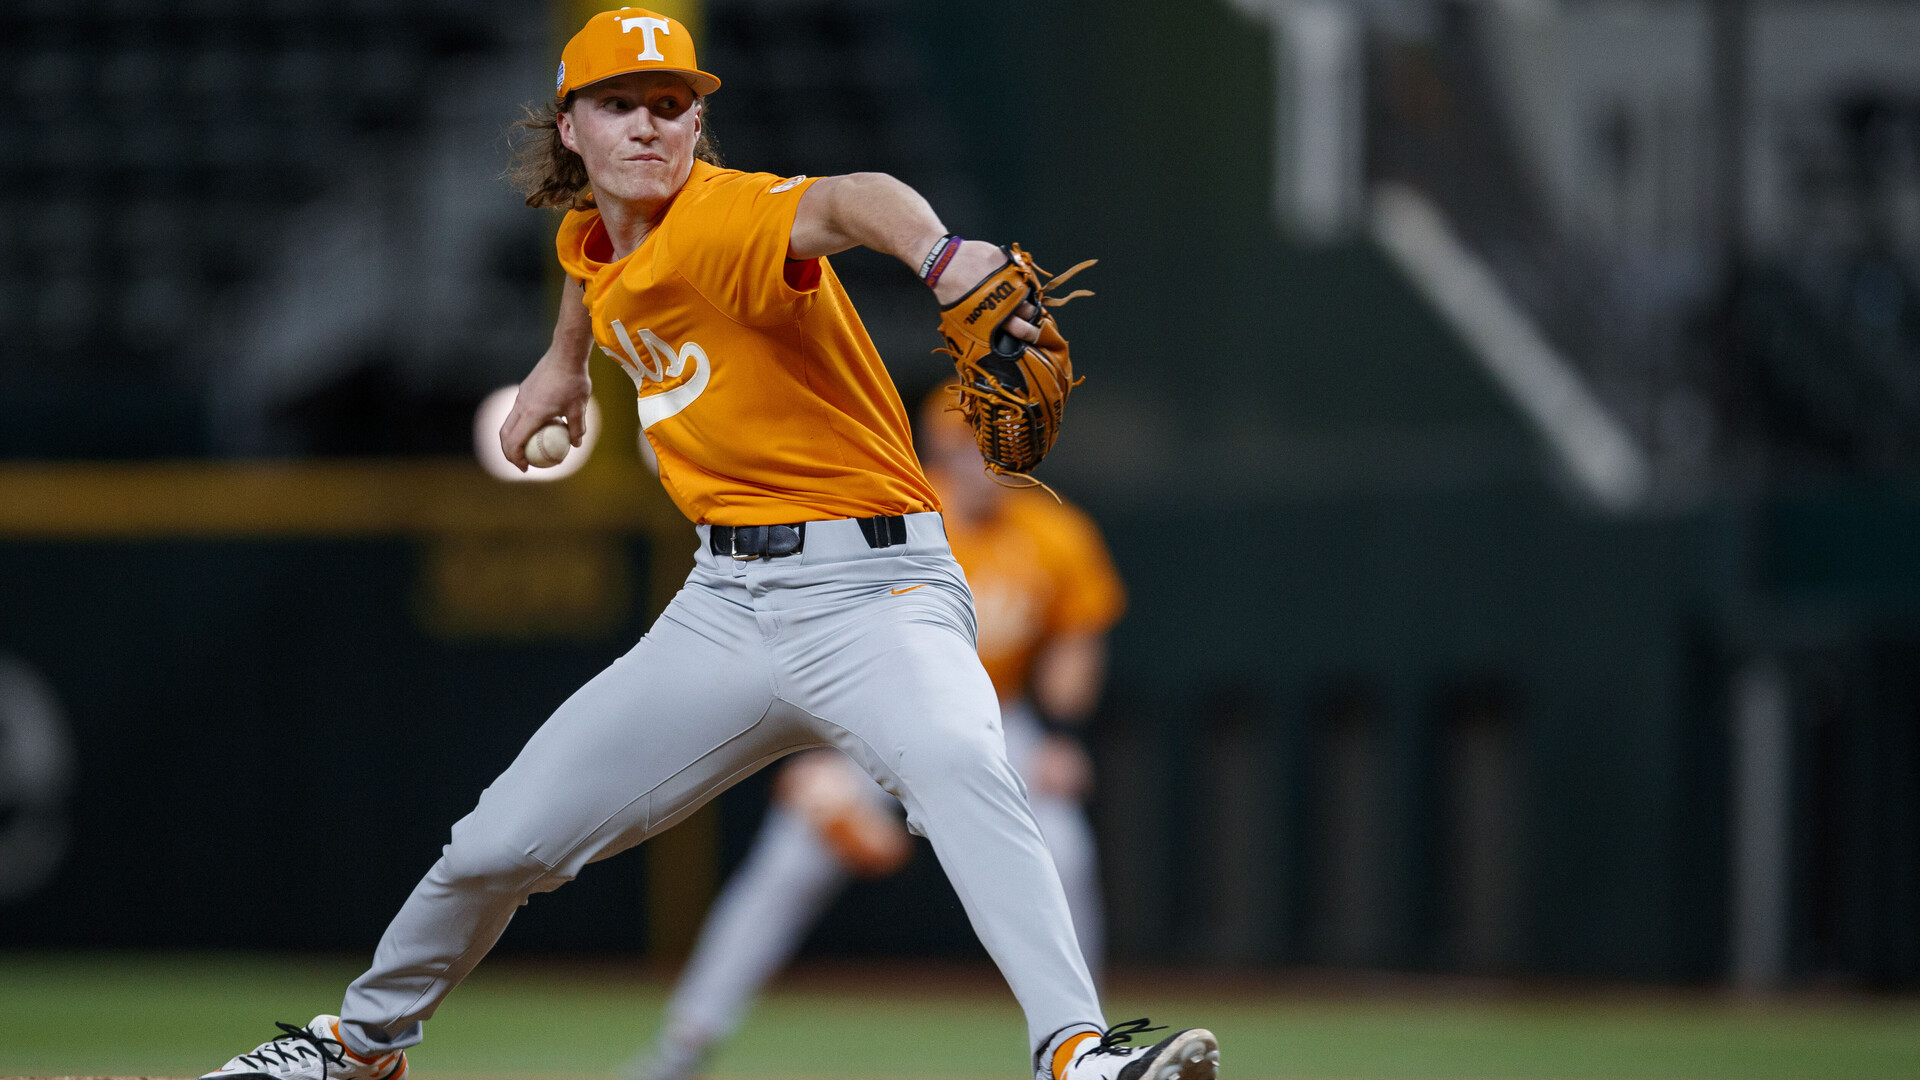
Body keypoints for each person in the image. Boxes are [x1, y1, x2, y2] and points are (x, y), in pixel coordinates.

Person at [197, 12, 1219, 1080]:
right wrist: (558, 364)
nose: (650, 125)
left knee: (967, 767)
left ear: (697, 122)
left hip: (877, 592)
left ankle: (1077, 1056)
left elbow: (849, 196)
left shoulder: (732, 218)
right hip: (723, 609)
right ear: (570, 128)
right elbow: (594, 264)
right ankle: (356, 1048)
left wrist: (941, 253)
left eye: (672, 104)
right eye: (619, 103)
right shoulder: (594, 239)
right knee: (496, 845)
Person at [630, 385, 1126, 1080]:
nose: (979, 463)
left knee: (1065, 851)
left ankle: (1081, 1052)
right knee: (791, 860)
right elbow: (828, 636)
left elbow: (1077, 640)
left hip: (997, 713)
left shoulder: (1053, 531)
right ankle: (683, 1045)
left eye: (992, 447)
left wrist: (1066, 735)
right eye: (965, 447)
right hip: (878, 709)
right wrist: (815, 745)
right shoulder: (897, 519)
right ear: (935, 451)